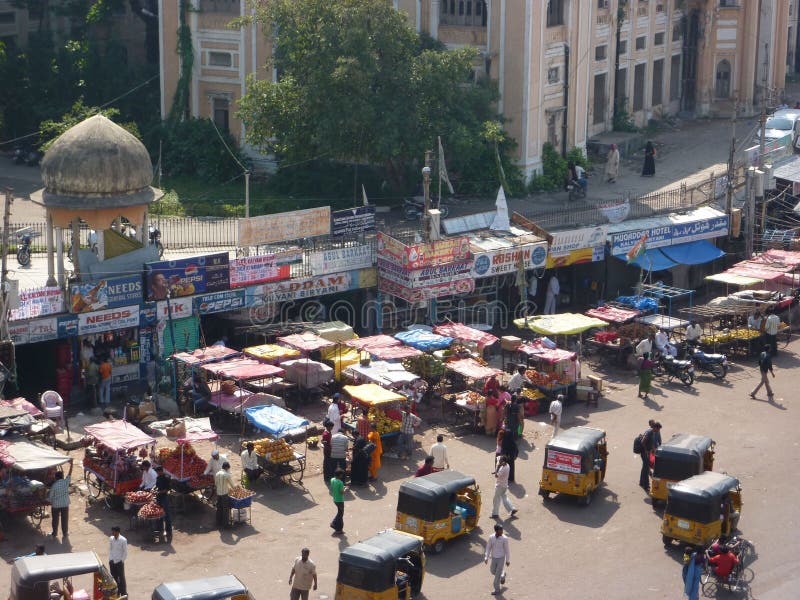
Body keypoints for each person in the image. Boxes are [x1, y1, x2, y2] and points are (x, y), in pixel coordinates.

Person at [484, 524, 511, 595]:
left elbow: (507, 550)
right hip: (494, 557)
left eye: (502, 529)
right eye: (500, 530)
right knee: (492, 571)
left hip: (501, 558)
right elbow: (488, 547)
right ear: (496, 531)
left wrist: (507, 560)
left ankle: (497, 589)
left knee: (497, 576)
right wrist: (486, 557)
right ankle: (503, 574)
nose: (502, 531)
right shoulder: (491, 537)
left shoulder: (505, 538)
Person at [48, 471, 70, 538]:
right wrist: (71, 465)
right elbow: (69, 474)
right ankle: (65, 534)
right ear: (62, 476)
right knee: (65, 520)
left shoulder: (54, 486)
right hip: (65, 504)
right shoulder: (66, 482)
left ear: (56, 477)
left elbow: (50, 497)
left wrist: (48, 500)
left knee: (55, 520)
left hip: (56, 506)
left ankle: (54, 533)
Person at [638, 422, 660, 491]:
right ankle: (646, 485)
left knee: (645, 468)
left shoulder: (652, 432)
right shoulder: (650, 432)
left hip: (648, 452)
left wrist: (653, 450)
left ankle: (641, 482)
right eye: (658, 429)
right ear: (655, 427)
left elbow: (651, 443)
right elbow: (643, 442)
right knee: (646, 469)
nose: (658, 431)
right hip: (645, 453)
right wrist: (646, 451)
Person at [153, 466, 172, 543]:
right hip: (159, 497)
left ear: (161, 471)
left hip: (164, 497)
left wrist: (159, 492)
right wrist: (153, 489)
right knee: (159, 513)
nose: (157, 473)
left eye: (158, 472)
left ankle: (169, 531)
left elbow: (167, 489)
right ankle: (160, 528)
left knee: (166, 514)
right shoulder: (158, 477)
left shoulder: (166, 478)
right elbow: (157, 486)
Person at [108, 526, 127, 596]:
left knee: (121, 578)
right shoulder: (111, 539)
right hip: (112, 562)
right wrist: (110, 559)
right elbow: (110, 549)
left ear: (118, 532)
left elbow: (125, 552)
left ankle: (124, 592)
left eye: (114, 531)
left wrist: (121, 561)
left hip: (119, 562)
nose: (112, 533)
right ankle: (117, 592)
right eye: (112, 531)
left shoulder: (123, 540)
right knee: (114, 578)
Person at [214, 461, 233, 529]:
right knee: (225, 509)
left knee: (219, 508)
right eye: (228, 468)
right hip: (224, 494)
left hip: (218, 494)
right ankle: (226, 525)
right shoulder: (226, 475)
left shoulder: (217, 474)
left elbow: (216, 484)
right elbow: (232, 485)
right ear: (226, 467)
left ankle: (218, 522)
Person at [329, 468, 345, 534]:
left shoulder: (332, 479)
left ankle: (338, 528)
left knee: (340, 513)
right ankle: (335, 524)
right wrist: (344, 489)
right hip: (340, 500)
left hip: (335, 499)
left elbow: (333, 488)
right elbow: (342, 493)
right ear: (340, 475)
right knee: (340, 514)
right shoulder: (340, 483)